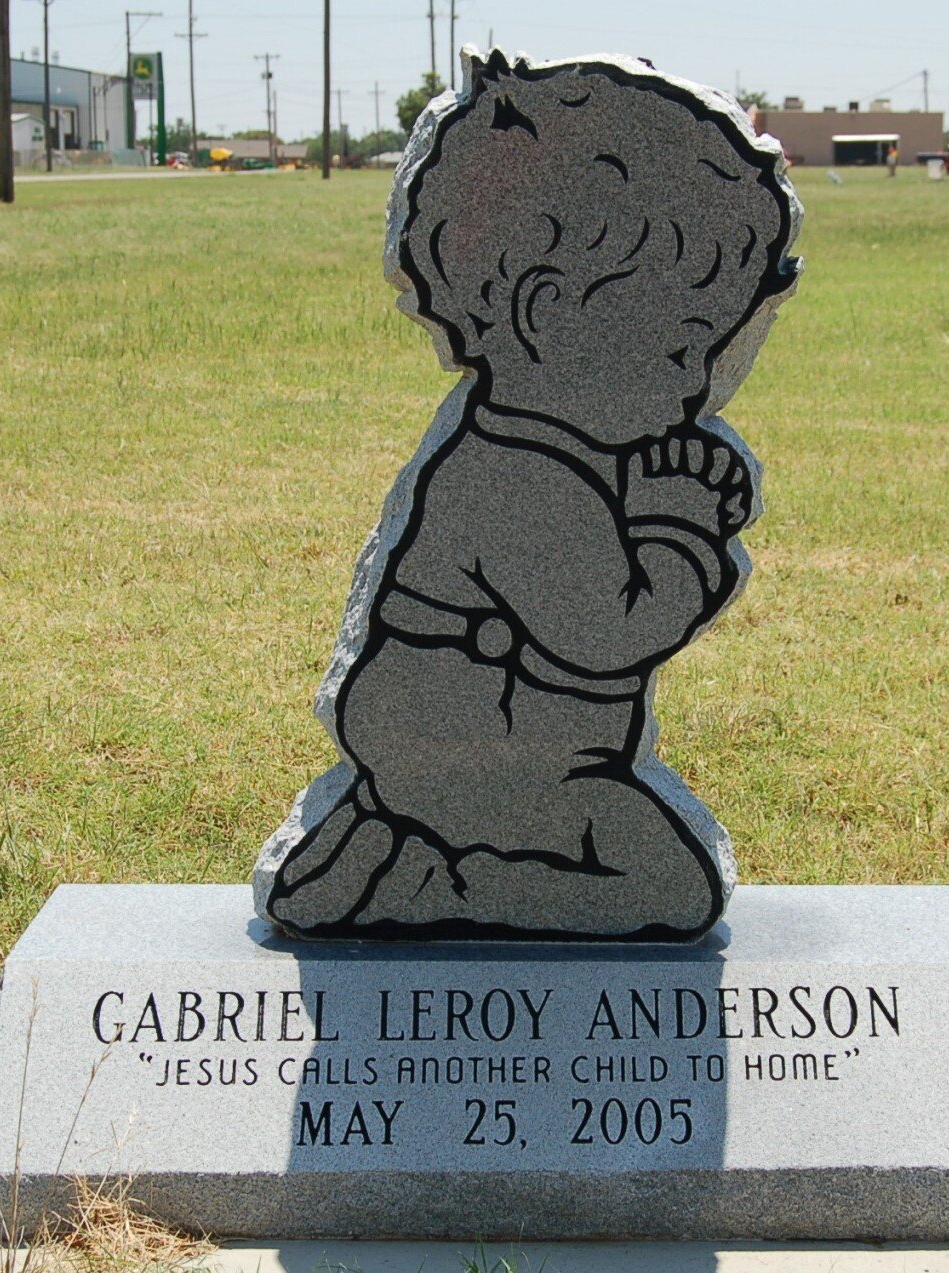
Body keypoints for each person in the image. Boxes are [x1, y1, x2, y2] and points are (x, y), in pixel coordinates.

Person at [258, 52, 801, 941]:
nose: (698, 384)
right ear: (550, 316)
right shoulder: (519, 476)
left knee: (655, 870)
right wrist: (682, 523)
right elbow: (610, 634)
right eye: (679, 347)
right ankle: (430, 880)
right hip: (480, 753)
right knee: (669, 886)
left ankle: (391, 844)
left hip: (494, 749)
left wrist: (681, 493)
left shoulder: (548, 443)